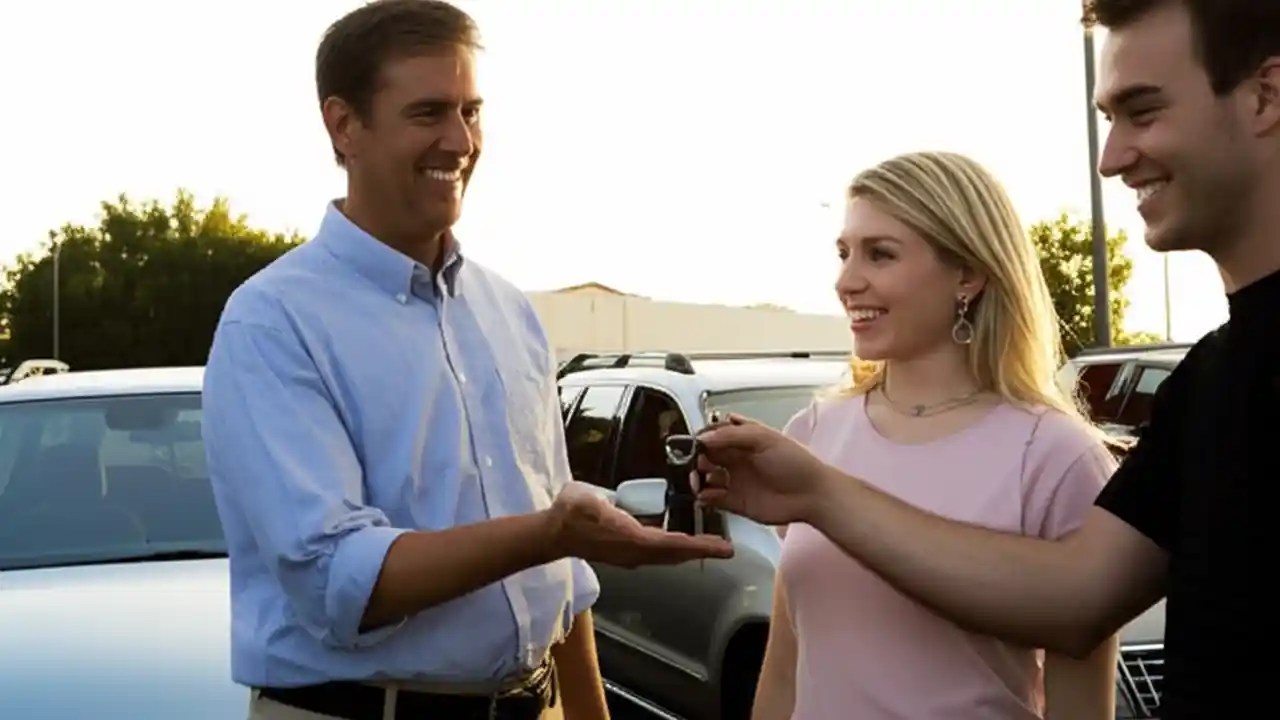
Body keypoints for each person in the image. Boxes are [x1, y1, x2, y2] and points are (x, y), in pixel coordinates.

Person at [694, 1, 1278, 718]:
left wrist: (820, 495)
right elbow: (1078, 598)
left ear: (1266, 95)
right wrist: (817, 492)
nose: (1110, 158)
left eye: (1144, 111)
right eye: (845, 251)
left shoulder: (1053, 450)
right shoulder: (1208, 381)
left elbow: (1077, 656)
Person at [201, 2, 731, 719]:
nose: (460, 141)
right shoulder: (273, 321)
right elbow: (339, 581)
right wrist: (550, 533)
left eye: (471, 111)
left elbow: (561, 568)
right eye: (428, 113)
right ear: (343, 125)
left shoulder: (507, 311)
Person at [745, 151, 1118, 720]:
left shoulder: (1056, 455)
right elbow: (784, 674)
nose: (846, 281)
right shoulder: (814, 432)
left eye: (881, 254)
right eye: (845, 253)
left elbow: (1082, 706)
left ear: (967, 275)